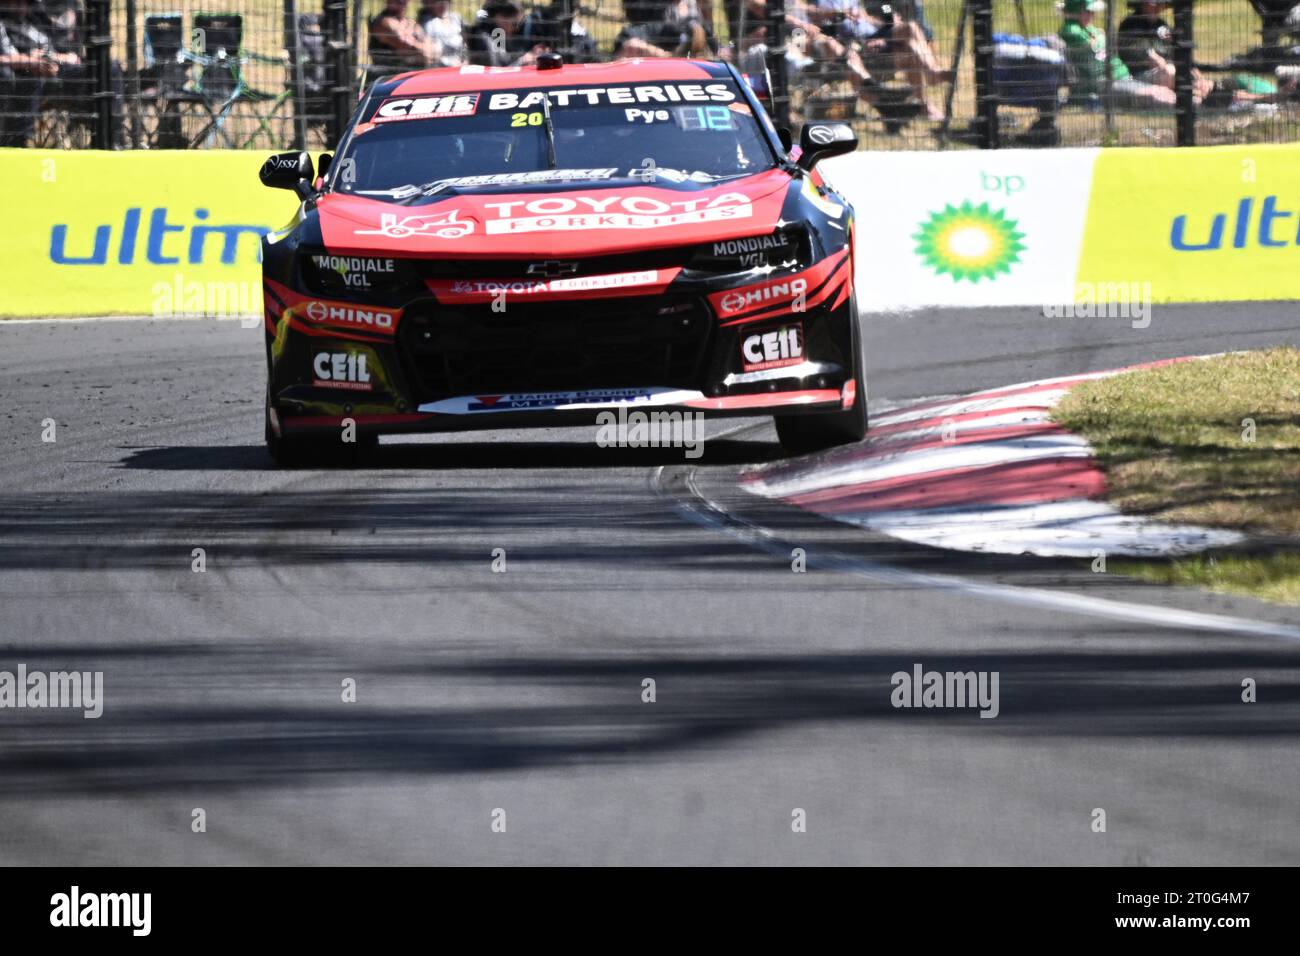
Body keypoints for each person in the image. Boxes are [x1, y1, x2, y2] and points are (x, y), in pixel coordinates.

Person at [0, 0, 120, 145]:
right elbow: (14, 55)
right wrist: (34, 60)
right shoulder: (6, 24)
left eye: (24, 3)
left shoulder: (35, 19)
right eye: (15, 3)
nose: (20, 7)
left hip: (58, 68)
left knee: (109, 68)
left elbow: (58, 46)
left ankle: (111, 137)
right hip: (29, 74)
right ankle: (18, 143)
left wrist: (61, 57)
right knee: (30, 77)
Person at [1059, 0, 1178, 108]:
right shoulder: (1071, 30)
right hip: (1105, 84)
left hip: (1123, 77)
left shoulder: (1090, 29)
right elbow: (1095, 43)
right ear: (1075, 12)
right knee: (1153, 93)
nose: (1092, 15)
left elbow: (1104, 40)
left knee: (1160, 91)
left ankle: (1187, 106)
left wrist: (1101, 37)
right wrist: (1101, 38)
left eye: (1092, 11)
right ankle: (1185, 109)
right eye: (1088, 11)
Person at [465, 0, 546, 67]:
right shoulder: (484, 38)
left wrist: (530, 54)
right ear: (500, 17)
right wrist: (522, 61)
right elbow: (496, 70)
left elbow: (506, 59)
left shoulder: (496, 33)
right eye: (514, 24)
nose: (516, 29)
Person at [368, 0, 440, 72]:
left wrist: (424, 49)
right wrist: (423, 48)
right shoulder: (382, 22)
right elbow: (405, 45)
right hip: (387, 76)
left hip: (412, 74)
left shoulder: (411, 23)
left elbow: (434, 50)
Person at [416, 0, 465, 67]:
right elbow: (430, 52)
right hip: (439, 68)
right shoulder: (428, 23)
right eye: (437, 2)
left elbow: (465, 45)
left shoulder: (456, 18)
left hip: (460, 65)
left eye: (445, 1)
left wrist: (464, 62)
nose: (442, 5)